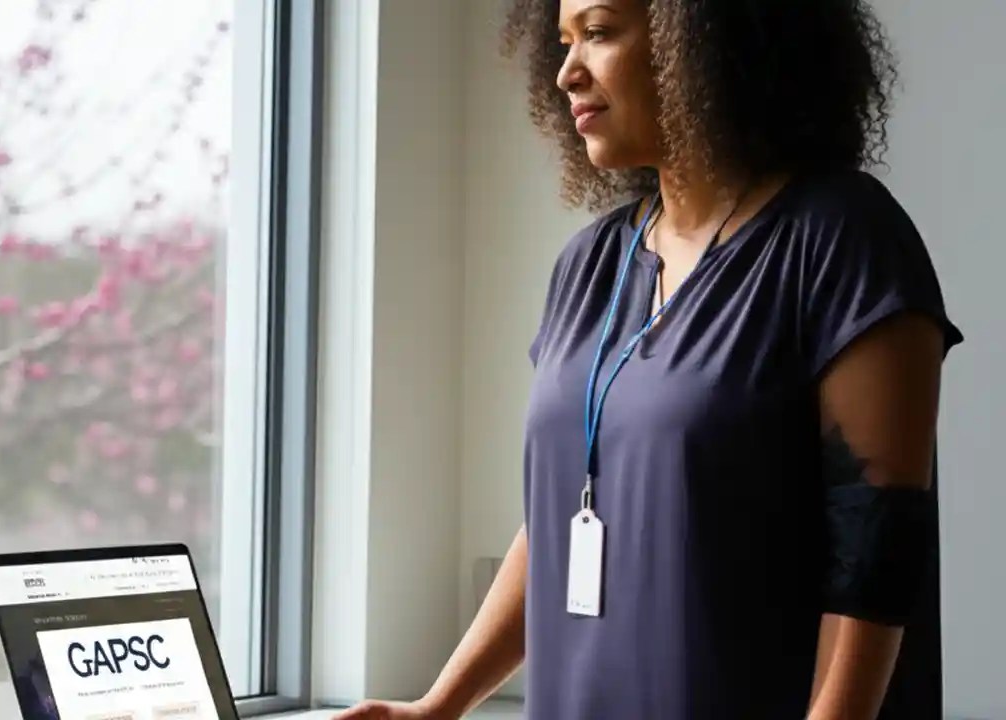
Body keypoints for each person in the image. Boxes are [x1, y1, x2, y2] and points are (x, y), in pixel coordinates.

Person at [334, 0, 963, 718]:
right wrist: (438, 705)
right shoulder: (589, 263)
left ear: (702, 40)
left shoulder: (844, 241)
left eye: (598, 34)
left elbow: (875, 554)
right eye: (564, 41)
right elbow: (559, 518)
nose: (567, 72)